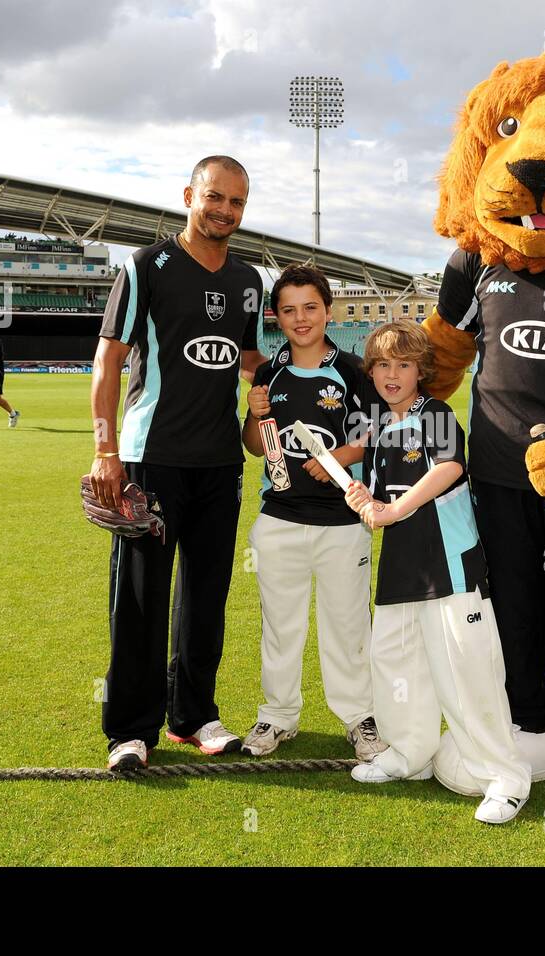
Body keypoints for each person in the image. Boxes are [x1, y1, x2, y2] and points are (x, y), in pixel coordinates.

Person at [88, 156, 264, 772]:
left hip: (219, 464)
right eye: (215, 197)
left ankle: (194, 715)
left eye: (237, 203)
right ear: (190, 194)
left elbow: (248, 361)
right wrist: (106, 451)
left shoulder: (249, 279)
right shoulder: (145, 267)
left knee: (207, 595)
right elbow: (108, 361)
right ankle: (131, 730)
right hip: (149, 458)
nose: (225, 211)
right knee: (140, 595)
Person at [343, 321, 531, 825]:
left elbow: (449, 468)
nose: (392, 374)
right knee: (395, 662)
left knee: (467, 670)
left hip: (449, 562)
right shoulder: (377, 426)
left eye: (403, 364)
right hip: (401, 566)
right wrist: (366, 501)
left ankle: (505, 778)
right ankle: (409, 754)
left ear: (420, 371)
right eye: (383, 364)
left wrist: (395, 509)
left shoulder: (437, 414)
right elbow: (381, 497)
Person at [239, 264, 383, 761]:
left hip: (342, 523)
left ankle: (360, 718)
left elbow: (373, 439)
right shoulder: (267, 372)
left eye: (310, 308)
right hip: (279, 520)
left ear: (328, 311)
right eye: (288, 310)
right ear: (276, 317)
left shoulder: (353, 373)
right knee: (281, 625)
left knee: (348, 627)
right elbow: (256, 447)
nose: (300, 319)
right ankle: (277, 716)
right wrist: (256, 414)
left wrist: (339, 457)